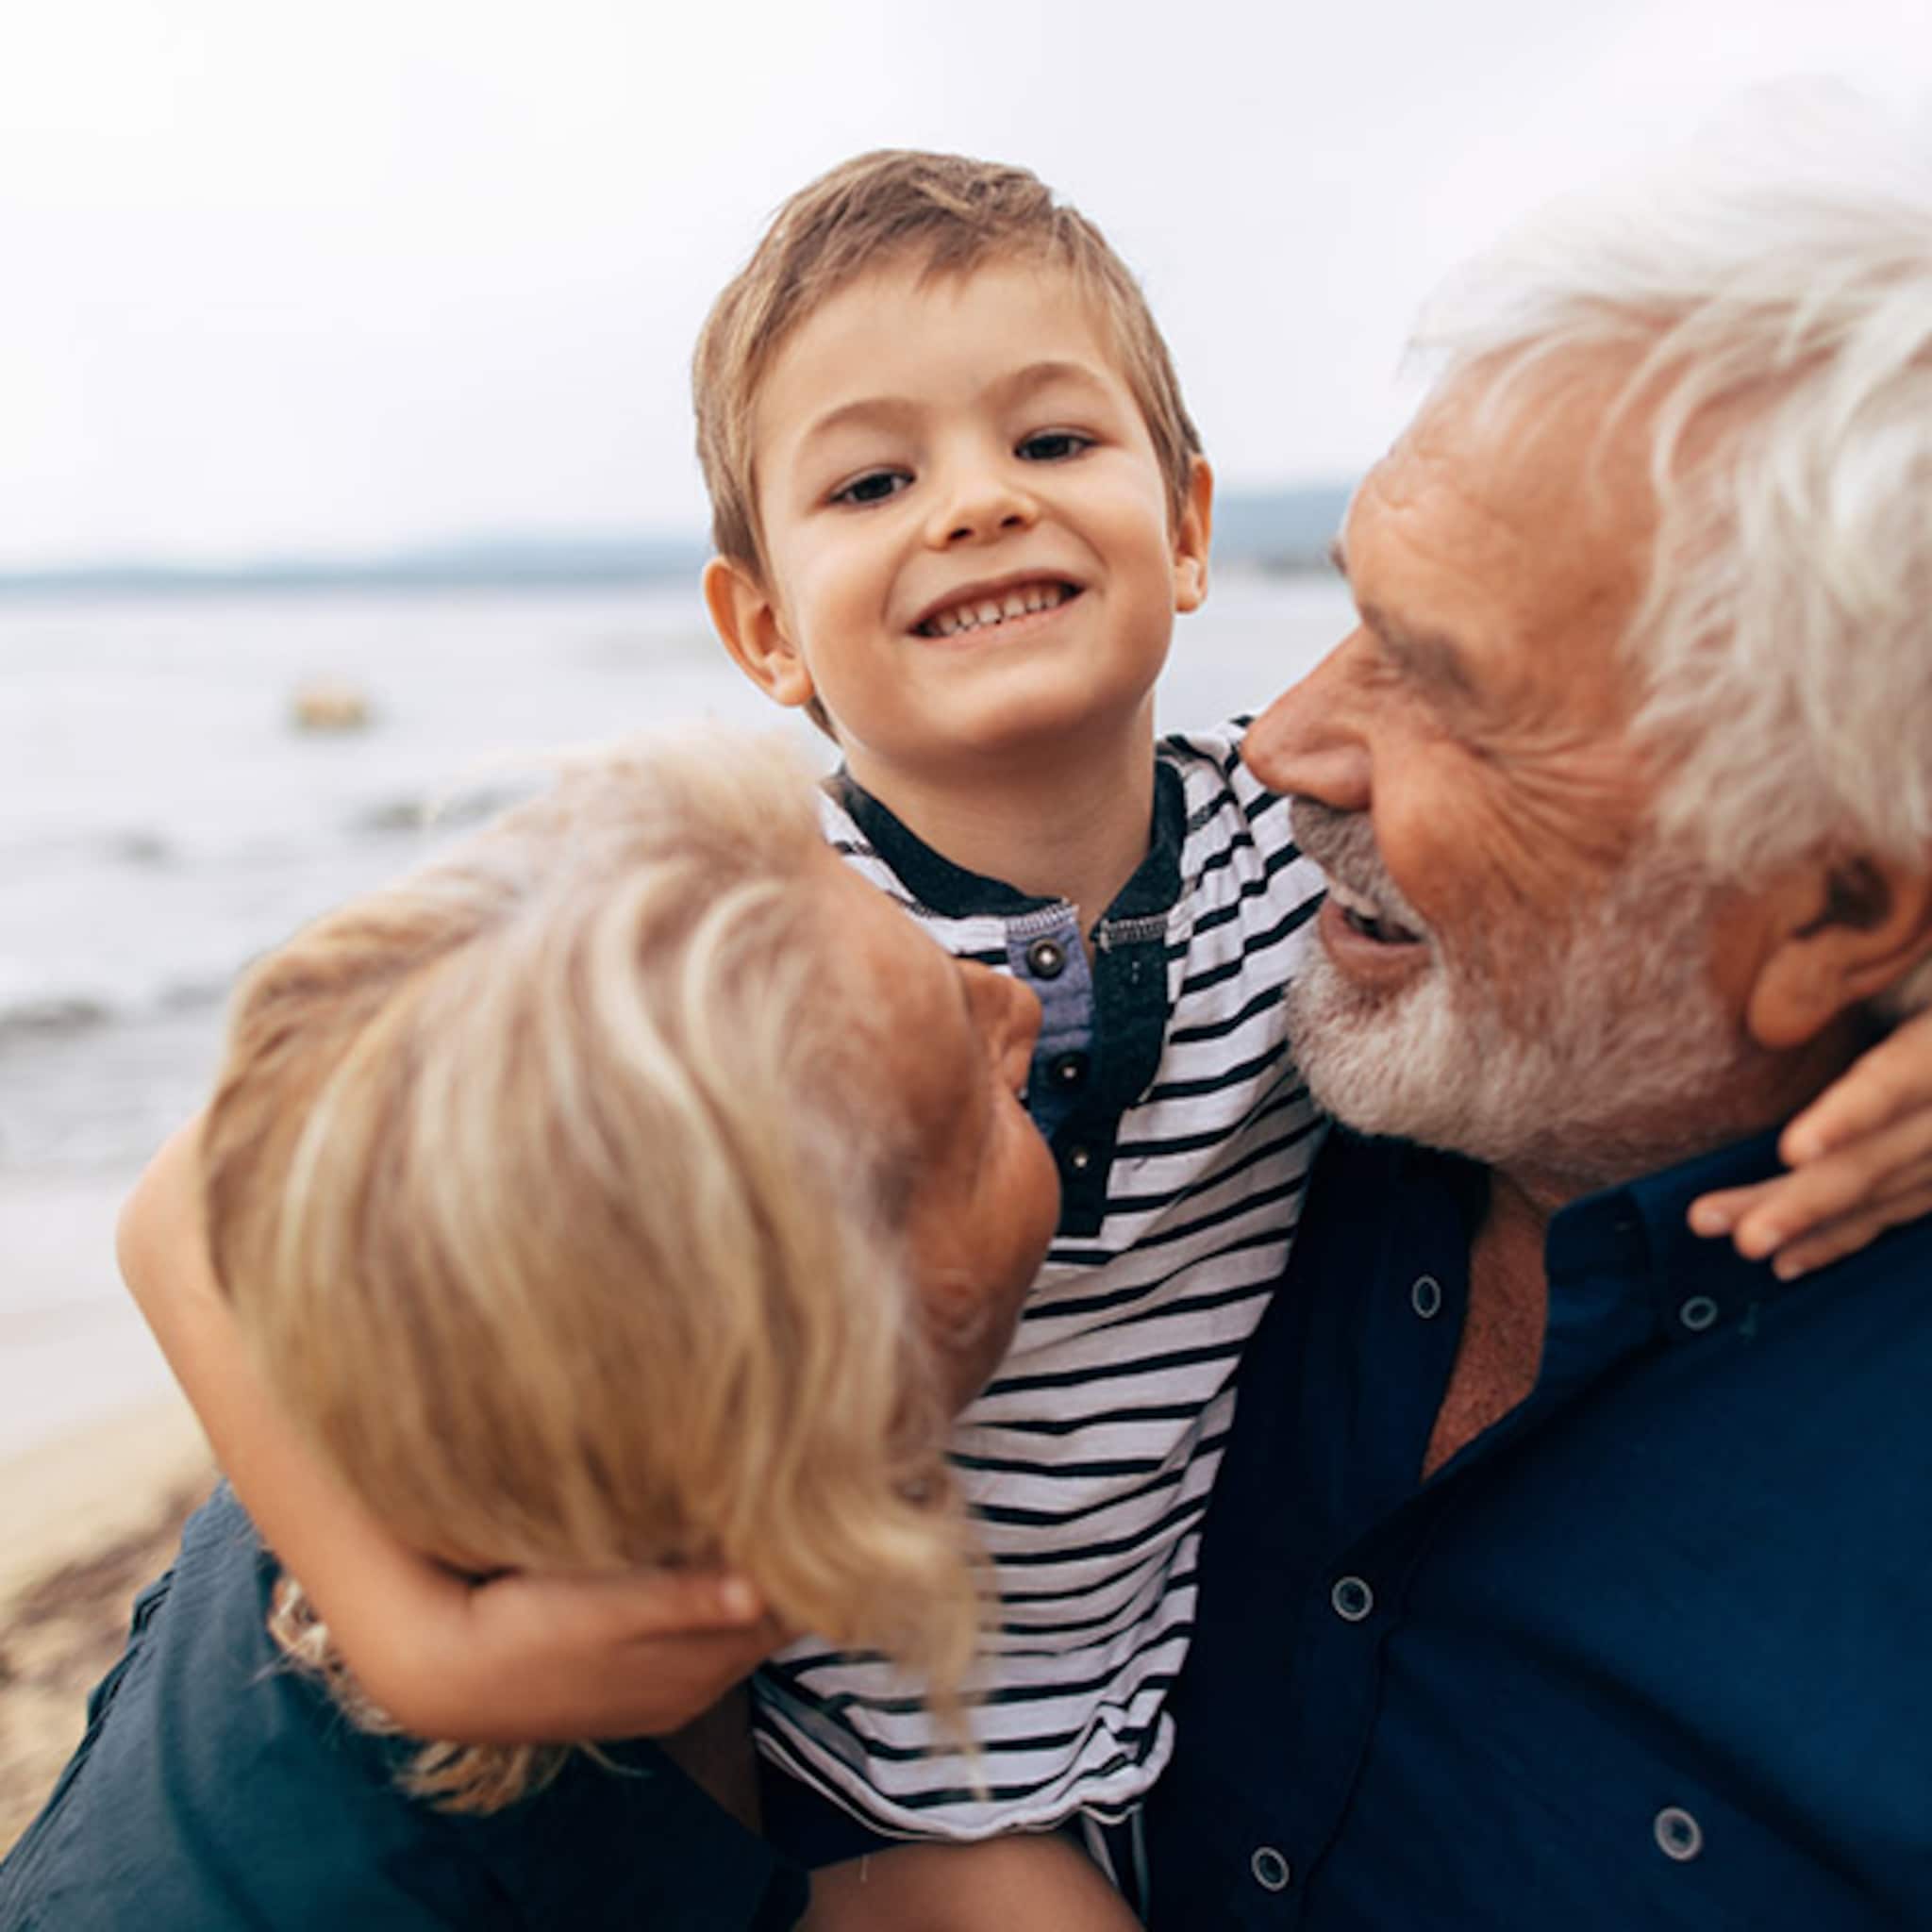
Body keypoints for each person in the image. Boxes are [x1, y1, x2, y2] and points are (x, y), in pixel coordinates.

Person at [110, 143, 1932, 1929]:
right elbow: (215, 1186)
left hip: (1133, 1721)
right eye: (871, 480)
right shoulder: (732, 912)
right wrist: (416, 1629)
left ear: (1192, 524)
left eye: (1051, 441)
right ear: (758, 630)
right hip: (872, 1751)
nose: (974, 502)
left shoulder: (1288, 874)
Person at [1141, 94, 1932, 1927]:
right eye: (1352, 615)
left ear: (1834, 907)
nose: (1280, 747)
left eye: (1441, 687)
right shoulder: (1175, 1044)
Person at [0, 734, 1089, 1929]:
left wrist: (412, 1638)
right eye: (975, 1116)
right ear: (795, 1467)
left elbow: (193, 1187)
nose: (1016, 1004)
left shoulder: (420, 1325)